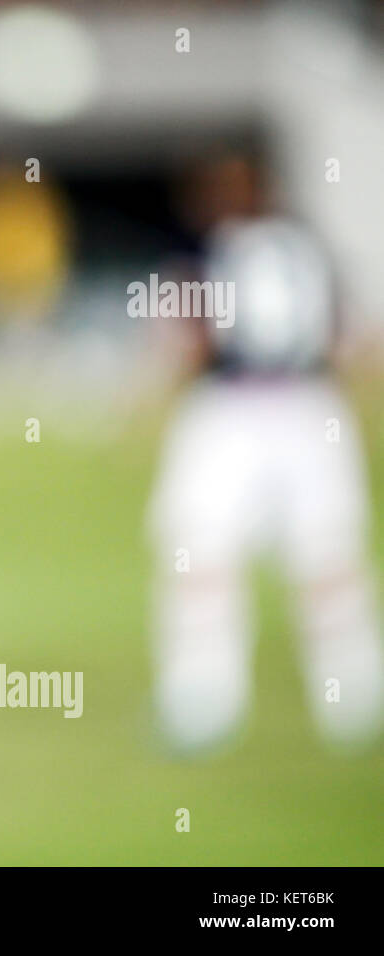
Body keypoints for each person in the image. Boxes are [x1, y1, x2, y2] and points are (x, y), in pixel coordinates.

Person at [149, 158, 384, 752]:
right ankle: (352, 697)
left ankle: (202, 700)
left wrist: (140, 406)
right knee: (326, 558)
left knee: (201, 554)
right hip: (310, 407)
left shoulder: (211, 252)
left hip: (232, 410)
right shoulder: (310, 247)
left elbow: (188, 341)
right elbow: (352, 340)